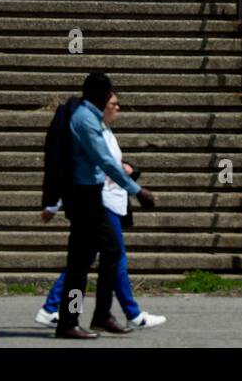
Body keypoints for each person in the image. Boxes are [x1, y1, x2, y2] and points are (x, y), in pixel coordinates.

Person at [36, 96, 166, 330]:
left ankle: (54, 308)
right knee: (114, 258)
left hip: (108, 202)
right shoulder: (91, 130)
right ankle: (129, 313)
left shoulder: (103, 131)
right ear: (100, 107)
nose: (118, 106)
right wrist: (137, 189)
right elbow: (100, 165)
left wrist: (128, 168)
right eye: (113, 103)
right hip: (101, 202)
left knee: (84, 261)